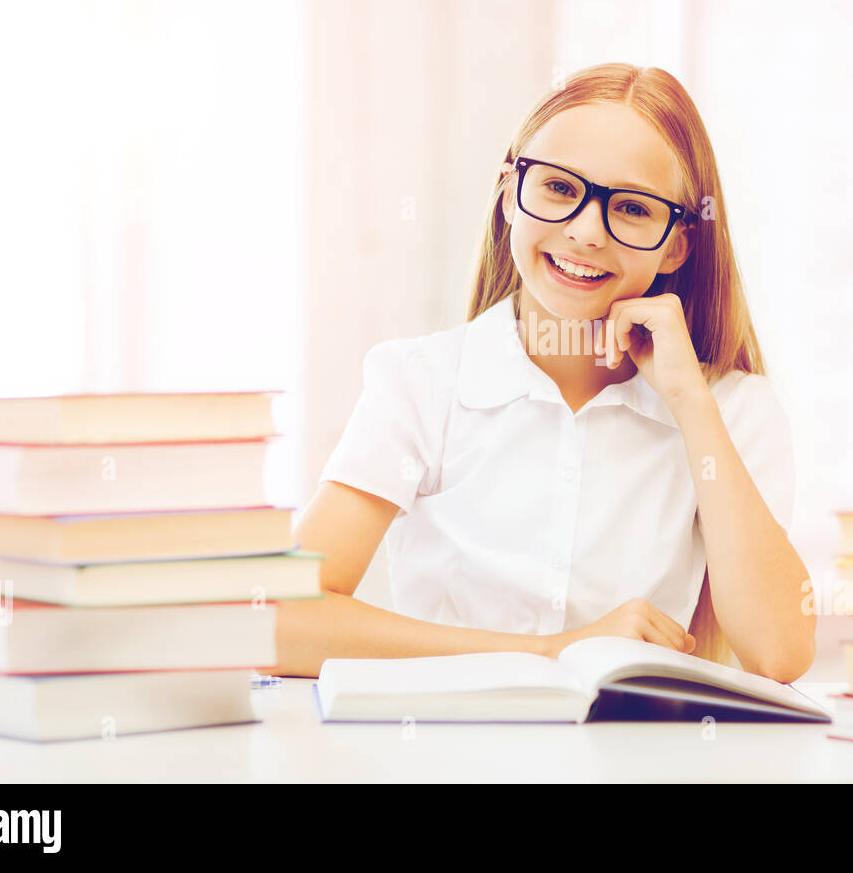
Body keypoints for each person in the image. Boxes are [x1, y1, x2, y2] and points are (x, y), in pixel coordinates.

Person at [271, 63, 815, 682]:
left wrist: (691, 402)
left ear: (675, 245)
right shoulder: (421, 382)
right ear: (509, 195)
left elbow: (778, 654)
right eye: (559, 189)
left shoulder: (733, 407)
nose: (585, 232)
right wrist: (557, 652)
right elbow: (283, 621)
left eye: (633, 207)